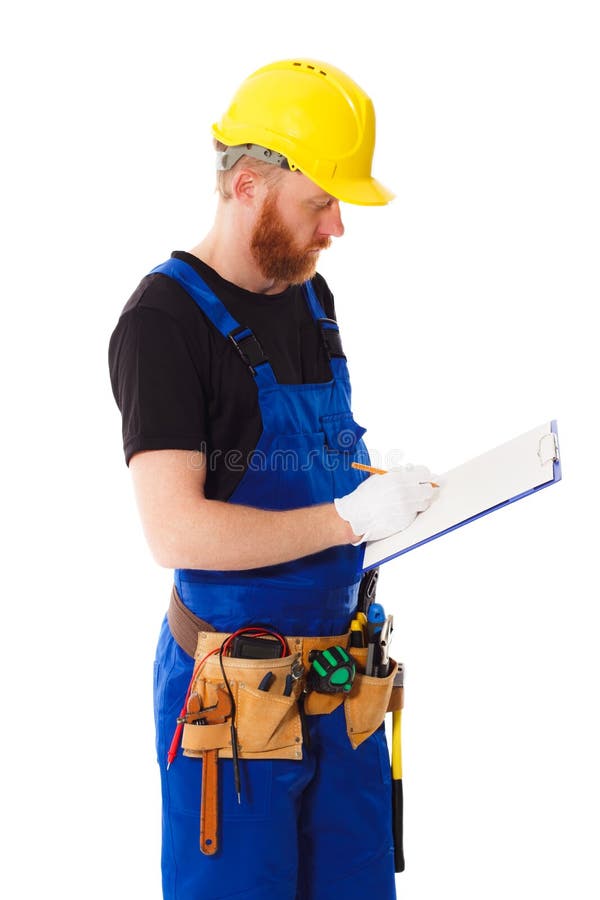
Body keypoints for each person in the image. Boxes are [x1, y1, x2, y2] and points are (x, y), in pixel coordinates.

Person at [109, 58, 434, 900]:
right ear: (249, 183)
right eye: (321, 202)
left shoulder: (312, 297)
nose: (336, 228)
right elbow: (174, 530)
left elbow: (308, 464)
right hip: (233, 699)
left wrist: (381, 484)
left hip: (339, 683)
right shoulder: (164, 322)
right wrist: (344, 518)